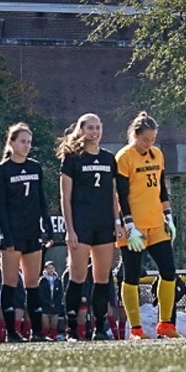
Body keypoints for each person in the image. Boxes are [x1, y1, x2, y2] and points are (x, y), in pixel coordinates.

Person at [114, 112, 182, 339]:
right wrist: (129, 225)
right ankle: (136, 329)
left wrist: (168, 216)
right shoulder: (124, 157)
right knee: (131, 276)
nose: (149, 144)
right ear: (135, 135)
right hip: (134, 228)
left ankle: (166, 324)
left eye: (153, 139)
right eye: (145, 139)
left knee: (169, 271)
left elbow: (161, 188)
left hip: (156, 223)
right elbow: (121, 195)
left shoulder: (157, 155)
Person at [56, 113, 122, 341]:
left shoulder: (108, 158)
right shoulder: (72, 159)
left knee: (102, 277)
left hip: (103, 223)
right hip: (81, 224)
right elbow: (65, 197)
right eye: (90, 128)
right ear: (81, 130)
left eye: (97, 127)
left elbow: (113, 195)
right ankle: (73, 328)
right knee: (78, 275)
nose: (94, 132)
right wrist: (70, 229)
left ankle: (100, 327)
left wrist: (117, 222)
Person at [0, 122, 48, 341]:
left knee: (33, 284)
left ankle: (37, 332)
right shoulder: (3, 169)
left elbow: (41, 199)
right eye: (23, 141)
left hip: (32, 232)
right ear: (12, 143)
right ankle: (11, 332)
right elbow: (0, 206)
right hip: (12, 234)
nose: (26, 146)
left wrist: (48, 227)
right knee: (10, 283)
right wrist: (7, 235)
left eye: (29, 142)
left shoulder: (35, 167)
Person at [38, 260, 65, 341]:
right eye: (48, 268)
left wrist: (55, 302)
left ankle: (53, 337)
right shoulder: (42, 280)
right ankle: (45, 337)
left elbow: (60, 293)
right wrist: (48, 302)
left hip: (55, 305)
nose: (50, 270)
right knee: (45, 324)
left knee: (54, 324)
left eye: (52, 268)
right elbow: (41, 293)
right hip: (45, 305)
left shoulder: (58, 280)